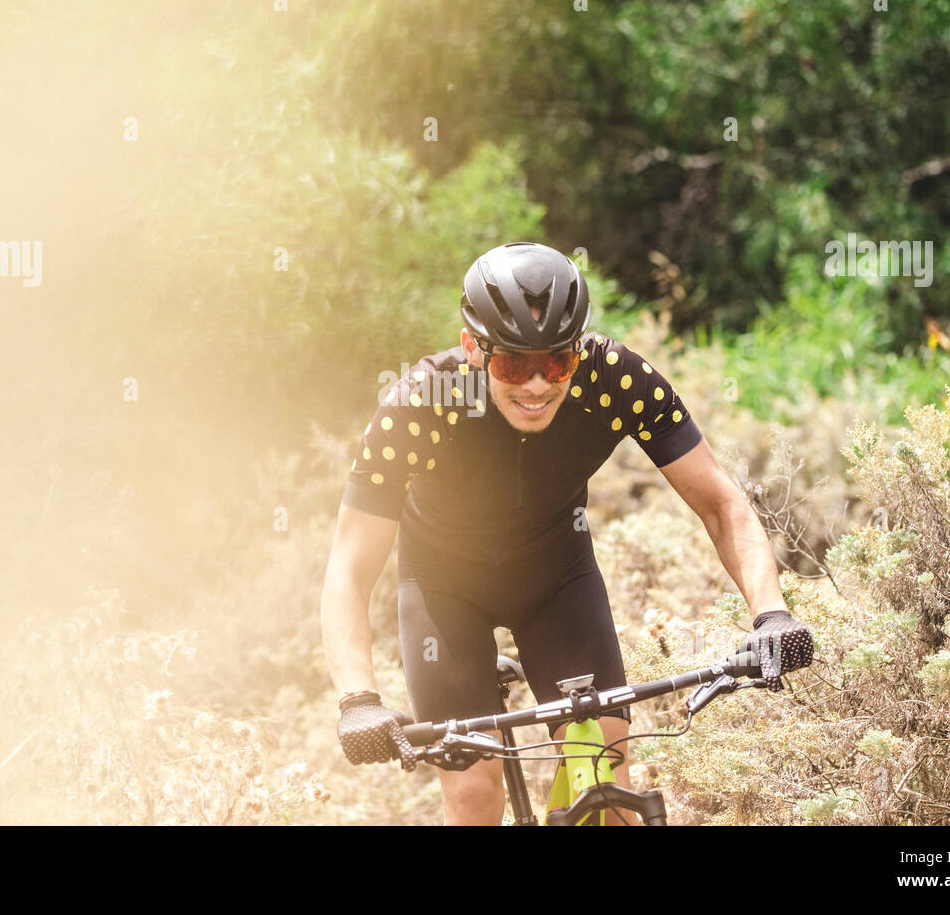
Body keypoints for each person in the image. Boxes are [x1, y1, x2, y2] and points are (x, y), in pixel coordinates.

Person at [320, 241, 813, 825]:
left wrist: (772, 614)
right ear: (473, 349)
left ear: (578, 351)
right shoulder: (423, 402)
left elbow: (722, 505)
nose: (536, 385)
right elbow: (350, 569)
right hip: (443, 590)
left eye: (556, 362)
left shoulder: (616, 378)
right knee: (474, 790)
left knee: (602, 762)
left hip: (556, 579)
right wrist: (358, 699)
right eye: (513, 365)